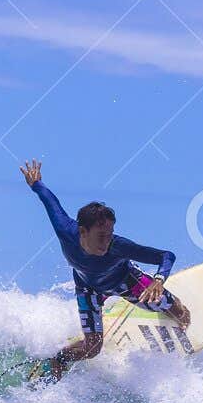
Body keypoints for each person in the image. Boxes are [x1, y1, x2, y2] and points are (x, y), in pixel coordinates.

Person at [19, 159, 190, 383]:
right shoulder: (65, 231)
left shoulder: (119, 247)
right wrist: (36, 184)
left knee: (179, 312)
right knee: (92, 348)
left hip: (127, 281)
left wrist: (158, 280)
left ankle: (182, 326)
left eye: (110, 234)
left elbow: (166, 256)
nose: (107, 241)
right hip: (87, 288)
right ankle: (59, 359)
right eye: (101, 236)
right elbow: (50, 201)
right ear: (83, 231)